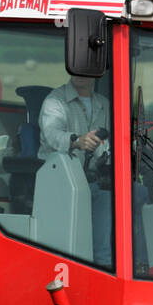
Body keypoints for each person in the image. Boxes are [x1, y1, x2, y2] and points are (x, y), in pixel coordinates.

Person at [38, 75, 112, 267]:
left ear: (97, 71)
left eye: (86, 66)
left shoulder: (105, 104)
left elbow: (113, 144)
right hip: (59, 183)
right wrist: (77, 141)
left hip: (94, 182)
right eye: (76, 66)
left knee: (135, 193)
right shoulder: (55, 100)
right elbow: (52, 134)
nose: (80, 72)